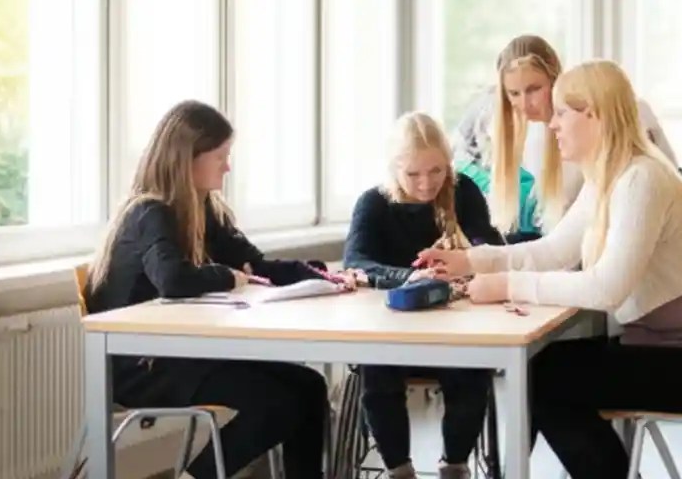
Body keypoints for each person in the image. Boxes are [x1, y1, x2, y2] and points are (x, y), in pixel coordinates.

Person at [422, 60, 682, 479]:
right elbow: (555, 250)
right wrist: (471, 260)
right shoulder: (608, 176)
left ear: (594, 115)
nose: (552, 124)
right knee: (542, 370)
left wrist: (506, 284)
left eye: (562, 113)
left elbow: (606, 289)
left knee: (547, 380)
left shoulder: (641, 179)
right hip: (676, 347)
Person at [85, 100, 354, 479]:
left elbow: (255, 265)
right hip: (146, 365)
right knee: (277, 404)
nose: (227, 166)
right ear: (187, 159)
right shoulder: (149, 213)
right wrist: (228, 277)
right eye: (220, 157)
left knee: (310, 387)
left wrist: (325, 277)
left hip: (188, 352)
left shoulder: (205, 209)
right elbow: (173, 280)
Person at [343, 112, 503, 479]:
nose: (426, 183)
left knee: (471, 370)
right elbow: (356, 261)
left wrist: (468, 256)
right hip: (391, 334)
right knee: (377, 371)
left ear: (449, 164)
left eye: (436, 171)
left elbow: (488, 242)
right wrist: (410, 276)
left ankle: (455, 463)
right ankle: (398, 467)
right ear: (394, 169)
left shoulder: (463, 191)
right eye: (413, 174)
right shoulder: (374, 203)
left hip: (453, 330)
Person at [452, 35, 677, 242]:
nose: (525, 104)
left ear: (554, 79)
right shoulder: (532, 137)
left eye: (534, 89)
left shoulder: (607, 120)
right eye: (514, 93)